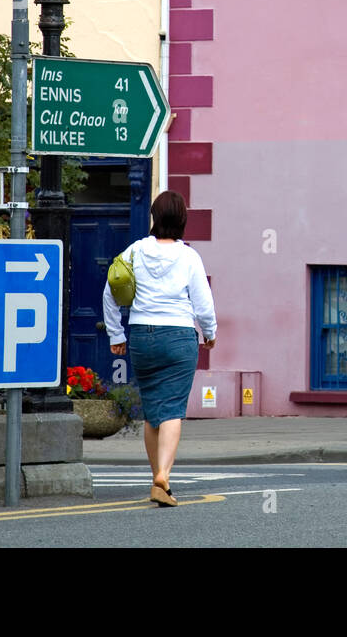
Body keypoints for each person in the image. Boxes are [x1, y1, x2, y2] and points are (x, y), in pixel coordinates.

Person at [104, 190, 216, 506]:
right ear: (182, 220)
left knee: (153, 410)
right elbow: (203, 305)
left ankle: (159, 482)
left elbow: (111, 290)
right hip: (178, 336)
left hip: (141, 336)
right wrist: (210, 333)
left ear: (154, 217)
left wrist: (116, 335)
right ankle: (163, 476)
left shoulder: (135, 251)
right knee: (173, 410)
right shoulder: (189, 256)